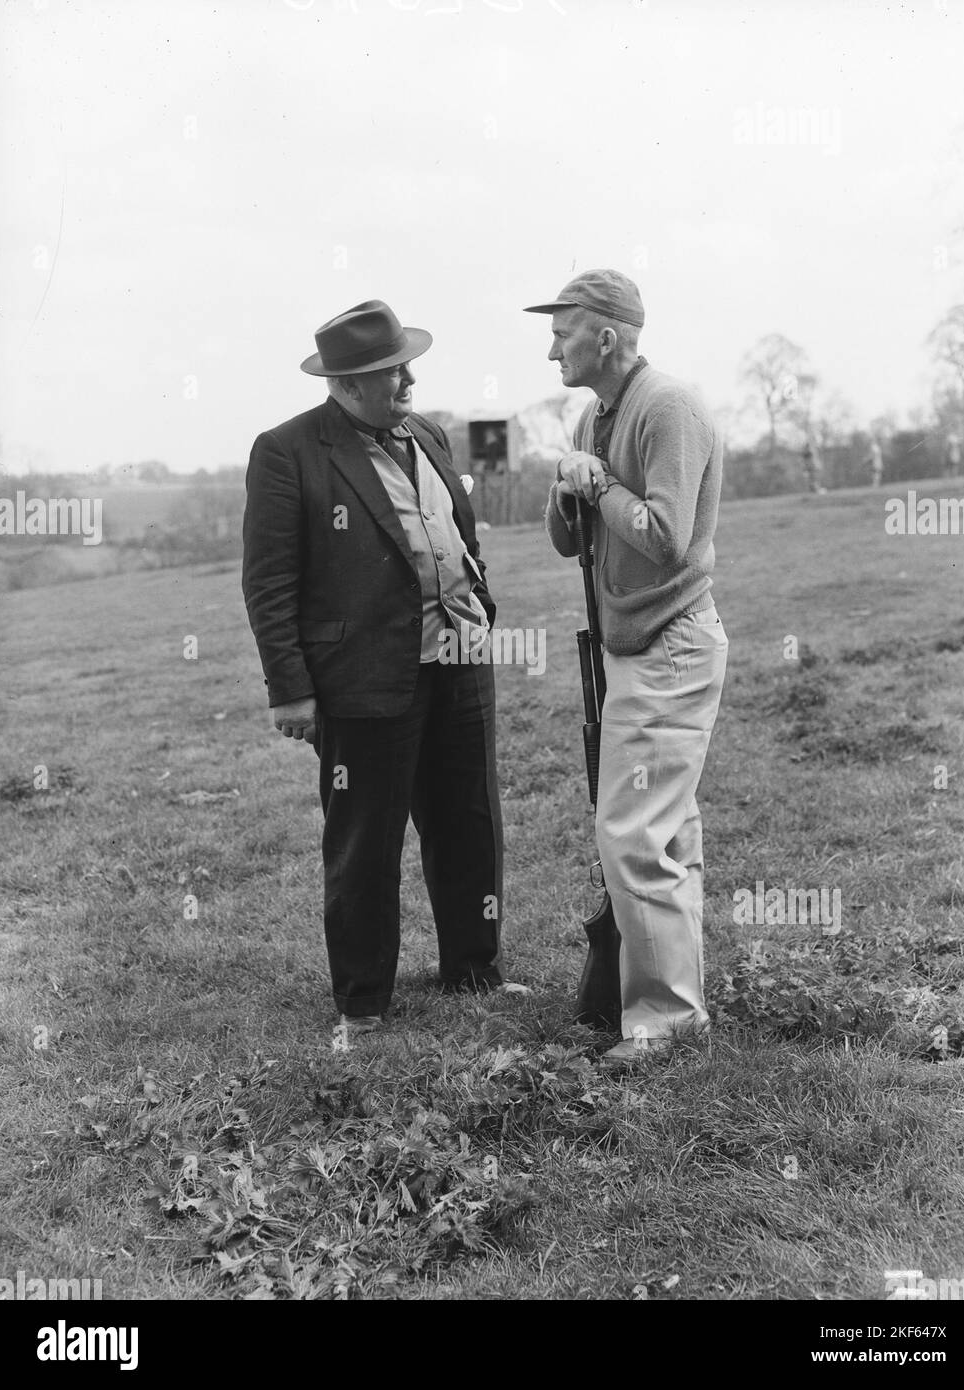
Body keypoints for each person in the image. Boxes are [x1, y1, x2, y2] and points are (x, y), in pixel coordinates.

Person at [242, 299, 525, 1042]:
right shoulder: (286, 451)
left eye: (404, 363)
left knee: (470, 824)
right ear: (344, 384)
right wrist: (291, 690)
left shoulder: (427, 432)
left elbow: (459, 536)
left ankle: (473, 970)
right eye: (387, 370)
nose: (405, 378)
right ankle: (363, 1004)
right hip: (362, 679)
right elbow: (268, 584)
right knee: (365, 843)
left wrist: (480, 608)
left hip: (458, 662)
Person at [527, 269, 728, 1067]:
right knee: (661, 832)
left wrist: (600, 481)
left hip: (670, 645)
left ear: (605, 337)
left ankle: (667, 1025)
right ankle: (673, 1003)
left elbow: (668, 538)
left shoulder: (667, 407)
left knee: (633, 837)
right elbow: (571, 540)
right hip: (632, 649)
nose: (552, 350)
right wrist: (566, 488)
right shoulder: (593, 413)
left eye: (562, 332)